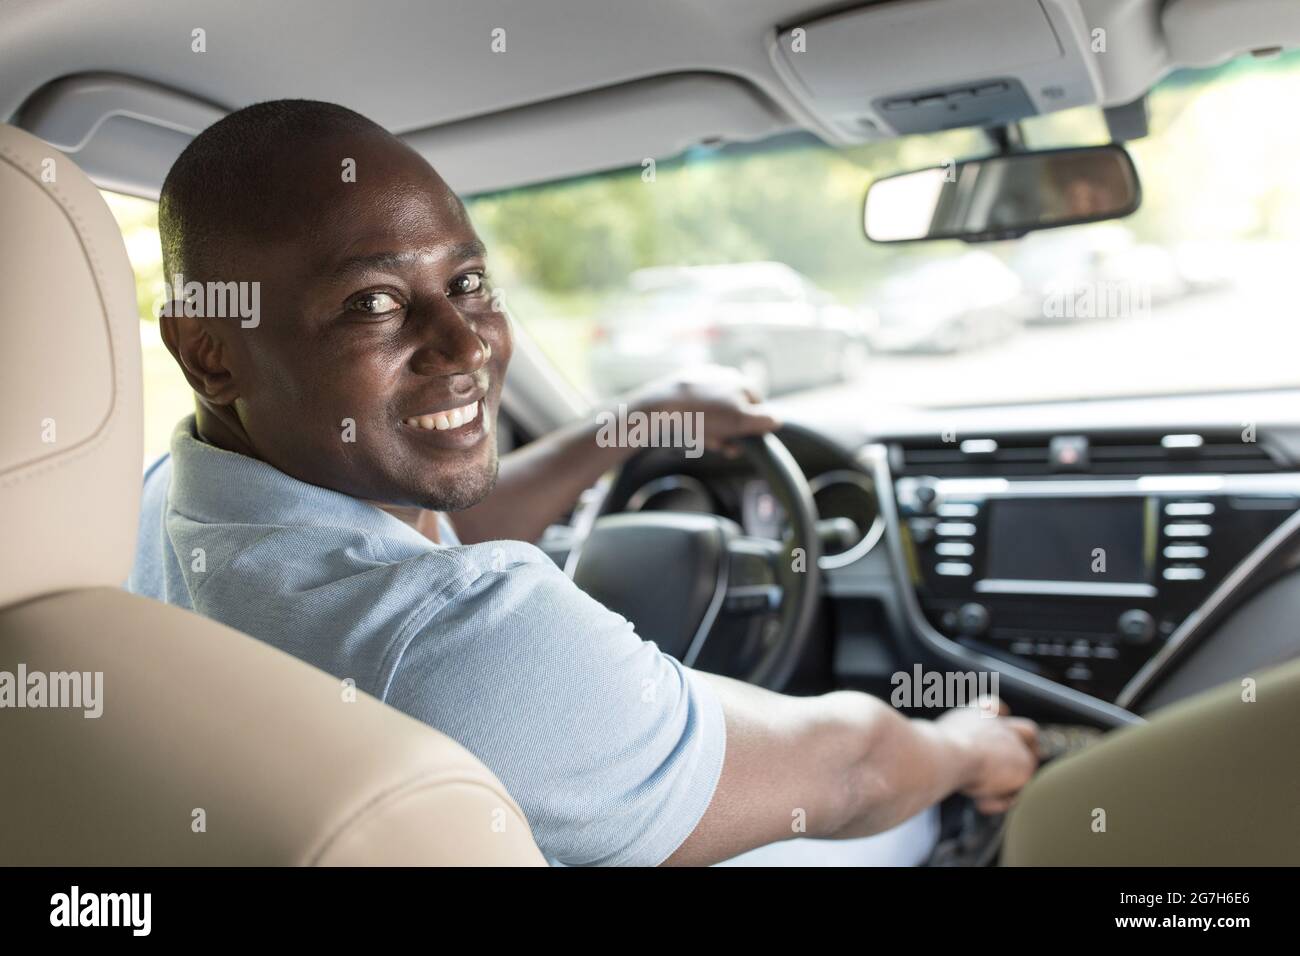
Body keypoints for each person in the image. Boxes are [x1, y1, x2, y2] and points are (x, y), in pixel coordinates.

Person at [127, 99, 1039, 866]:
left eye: (470, 279)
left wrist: (634, 422)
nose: (467, 344)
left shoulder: (161, 503)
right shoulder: (470, 641)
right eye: (371, 302)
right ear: (210, 351)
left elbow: (439, 536)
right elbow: (850, 774)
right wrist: (966, 749)